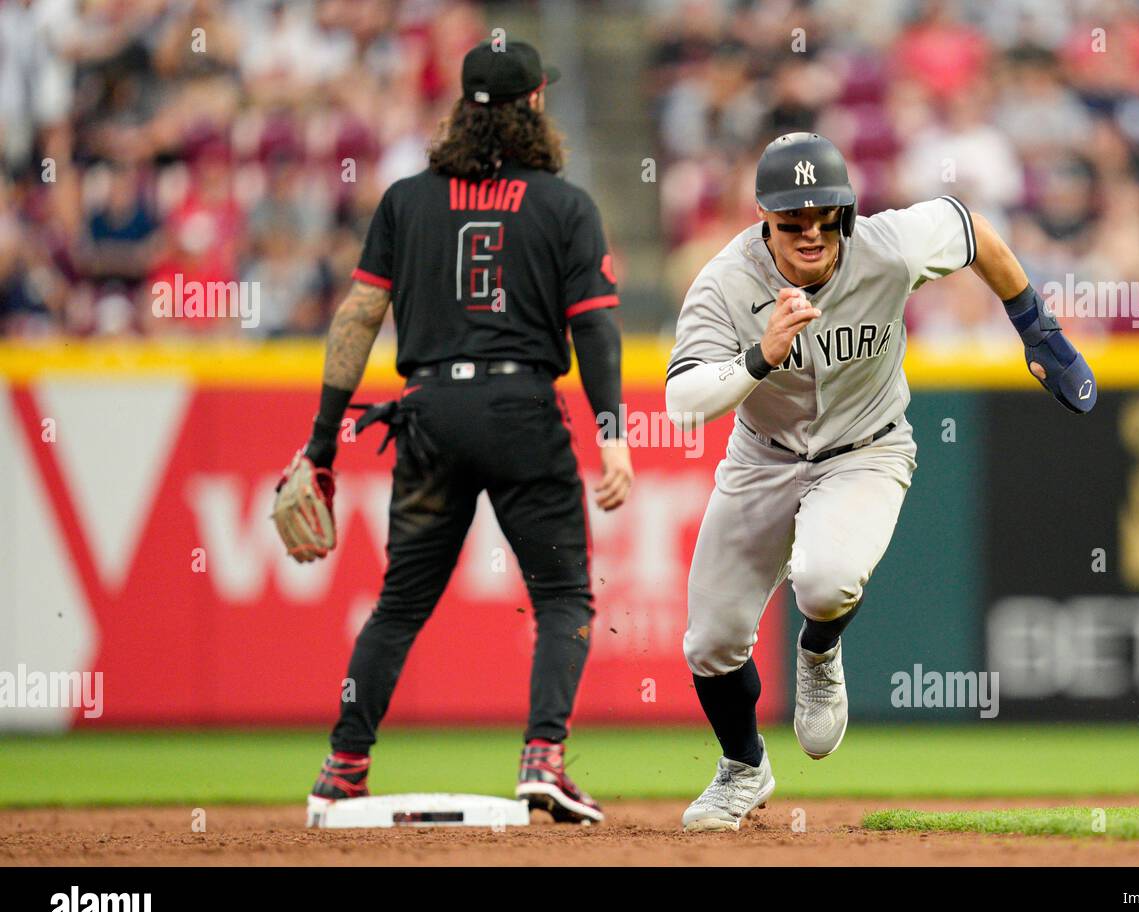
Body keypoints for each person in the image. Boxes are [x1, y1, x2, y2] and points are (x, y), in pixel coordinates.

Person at [664, 132, 1094, 831]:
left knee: (826, 579)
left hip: (866, 449)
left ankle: (821, 647)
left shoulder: (888, 245)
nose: (810, 232)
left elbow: (972, 230)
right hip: (762, 457)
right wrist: (759, 355)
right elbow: (682, 403)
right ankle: (743, 769)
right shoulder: (726, 280)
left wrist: (1038, 329)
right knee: (710, 641)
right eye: (791, 221)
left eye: (824, 215)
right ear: (762, 220)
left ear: (847, 212)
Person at [274, 39, 633, 825]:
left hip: (428, 412)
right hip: (518, 411)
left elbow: (358, 317)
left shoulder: (406, 199)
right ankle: (543, 757)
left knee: (400, 604)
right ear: (535, 105)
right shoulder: (565, 205)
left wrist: (322, 442)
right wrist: (611, 431)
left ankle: (342, 768)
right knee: (564, 596)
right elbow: (597, 331)